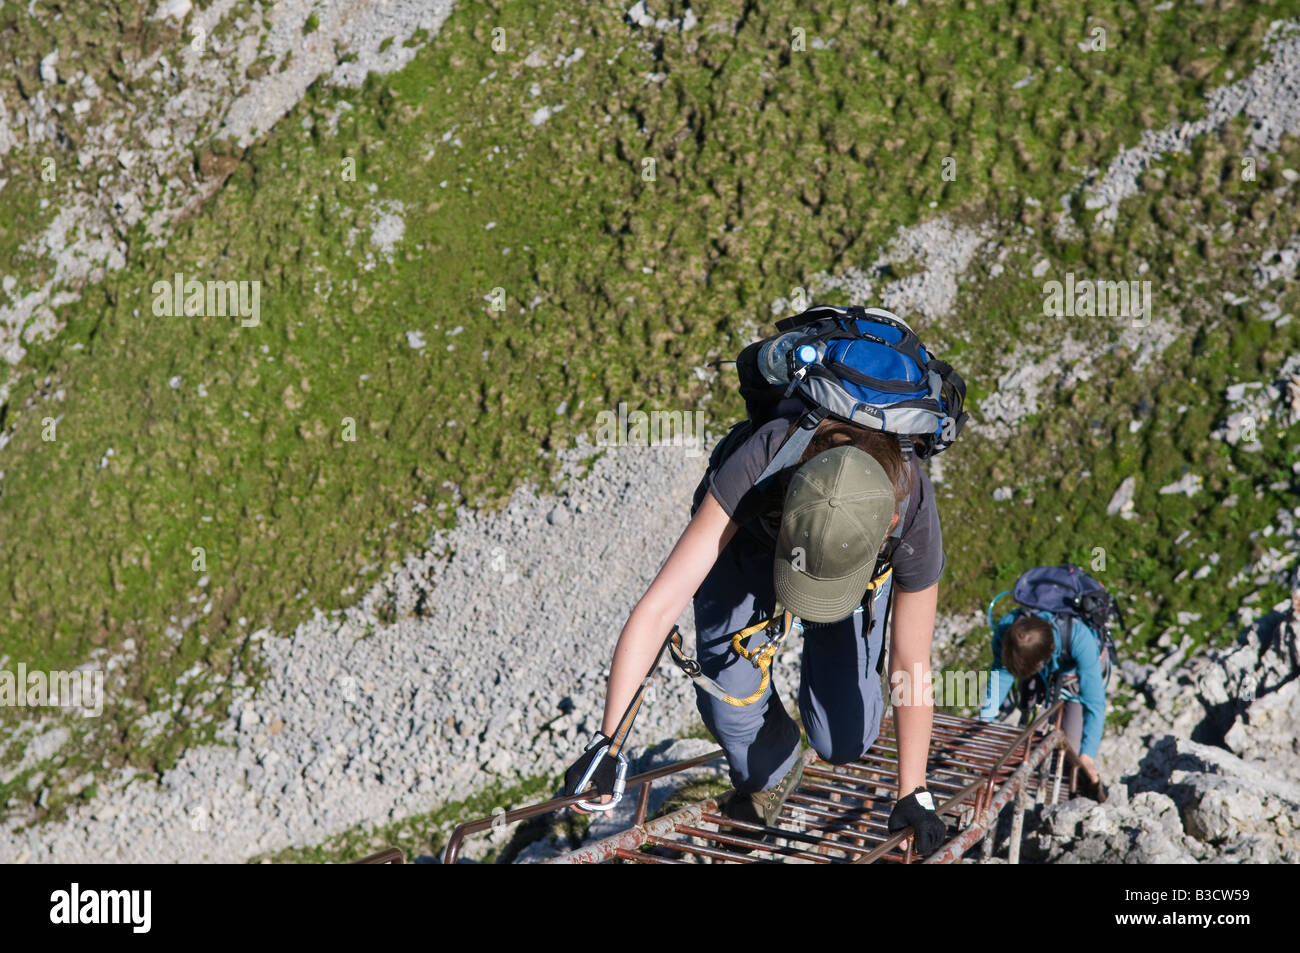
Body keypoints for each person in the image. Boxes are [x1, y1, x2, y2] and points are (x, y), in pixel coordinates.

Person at [563, 401, 950, 854]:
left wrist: (914, 790)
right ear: (789, 502)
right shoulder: (762, 460)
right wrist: (607, 743)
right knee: (727, 698)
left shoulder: (914, 514)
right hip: (754, 540)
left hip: (853, 567)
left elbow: (912, 659)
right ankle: (774, 765)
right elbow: (660, 605)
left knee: (845, 739)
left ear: (887, 525)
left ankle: (833, 649)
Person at [979, 607, 1108, 795]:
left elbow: (1094, 702)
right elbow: (1001, 674)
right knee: (1031, 732)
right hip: (1035, 667)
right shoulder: (1006, 631)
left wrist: (1087, 755)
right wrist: (985, 720)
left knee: (1072, 746)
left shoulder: (1080, 638)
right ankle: (1031, 780)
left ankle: (1072, 792)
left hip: (1073, 676)